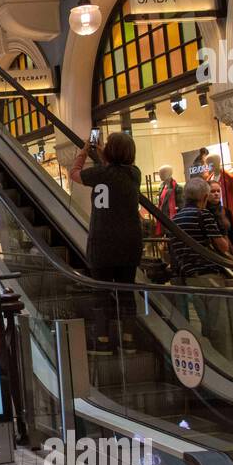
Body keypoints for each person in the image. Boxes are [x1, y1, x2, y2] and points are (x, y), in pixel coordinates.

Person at [70, 131, 143, 352]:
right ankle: (129, 339)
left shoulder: (99, 173)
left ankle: (102, 339)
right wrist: (105, 153)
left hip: (102, 242)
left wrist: (83, 152)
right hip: (130, 242)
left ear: (110, 152)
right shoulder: (134, 174)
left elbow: (74, 174)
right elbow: (115, 169)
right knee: (126, 290)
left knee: (101, 291)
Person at [169, 177, 233, 360]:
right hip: (209, 275)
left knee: (206, 321)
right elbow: (222, 246)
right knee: (218, 324)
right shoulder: (204, 215)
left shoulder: (176, 218)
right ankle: (224, 363)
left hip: (190, 275)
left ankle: (211, 360)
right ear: (205, 196)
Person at [208, 180, 233, 262]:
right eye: (212, 191)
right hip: (213, 251)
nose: (216, 194)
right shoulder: (204, 211)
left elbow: (232, 234)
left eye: (218, 191)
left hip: (228, 248)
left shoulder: (226, 211)